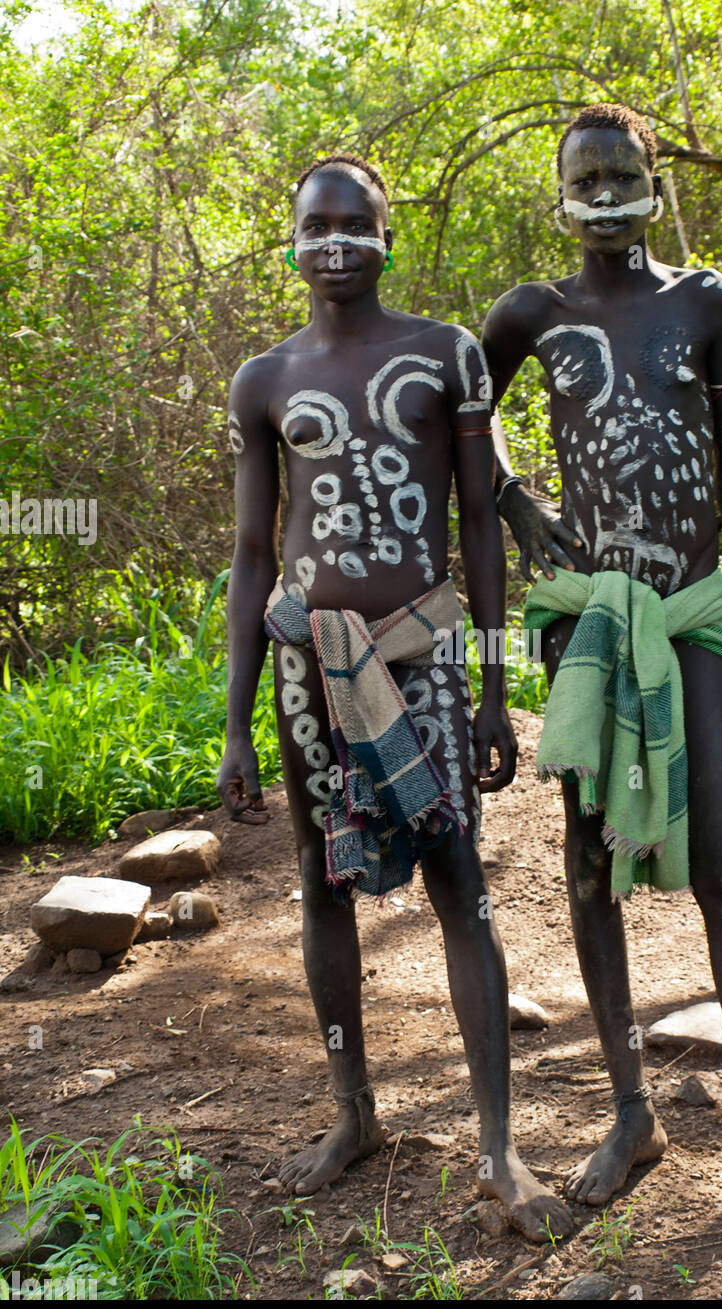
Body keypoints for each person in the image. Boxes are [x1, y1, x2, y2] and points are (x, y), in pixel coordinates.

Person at [481, 105, 722, 1236]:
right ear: (560, 189)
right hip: (585, 615)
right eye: (581, 176)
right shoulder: (533, 314)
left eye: (618, 173)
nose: (601, 192)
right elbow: (462, 414)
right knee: (589, 863)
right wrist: (515, 501)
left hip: (689, 613)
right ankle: (633, 1110)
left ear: (651, 177)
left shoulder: (707, 302)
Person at [216, 153, 572, 1242]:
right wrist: (233, 721)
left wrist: (496, 685)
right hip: (307, 665)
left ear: (386, 235)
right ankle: (354, 1112)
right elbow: (248, 551)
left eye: (353, 225)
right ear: (290, 243)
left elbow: (476, 523)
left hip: (424, 652)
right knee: (324, 889)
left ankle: (500, 1147)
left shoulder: (446, 355)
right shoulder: (264, 379)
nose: (333, 244)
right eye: (314, 226)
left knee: (462, 889)